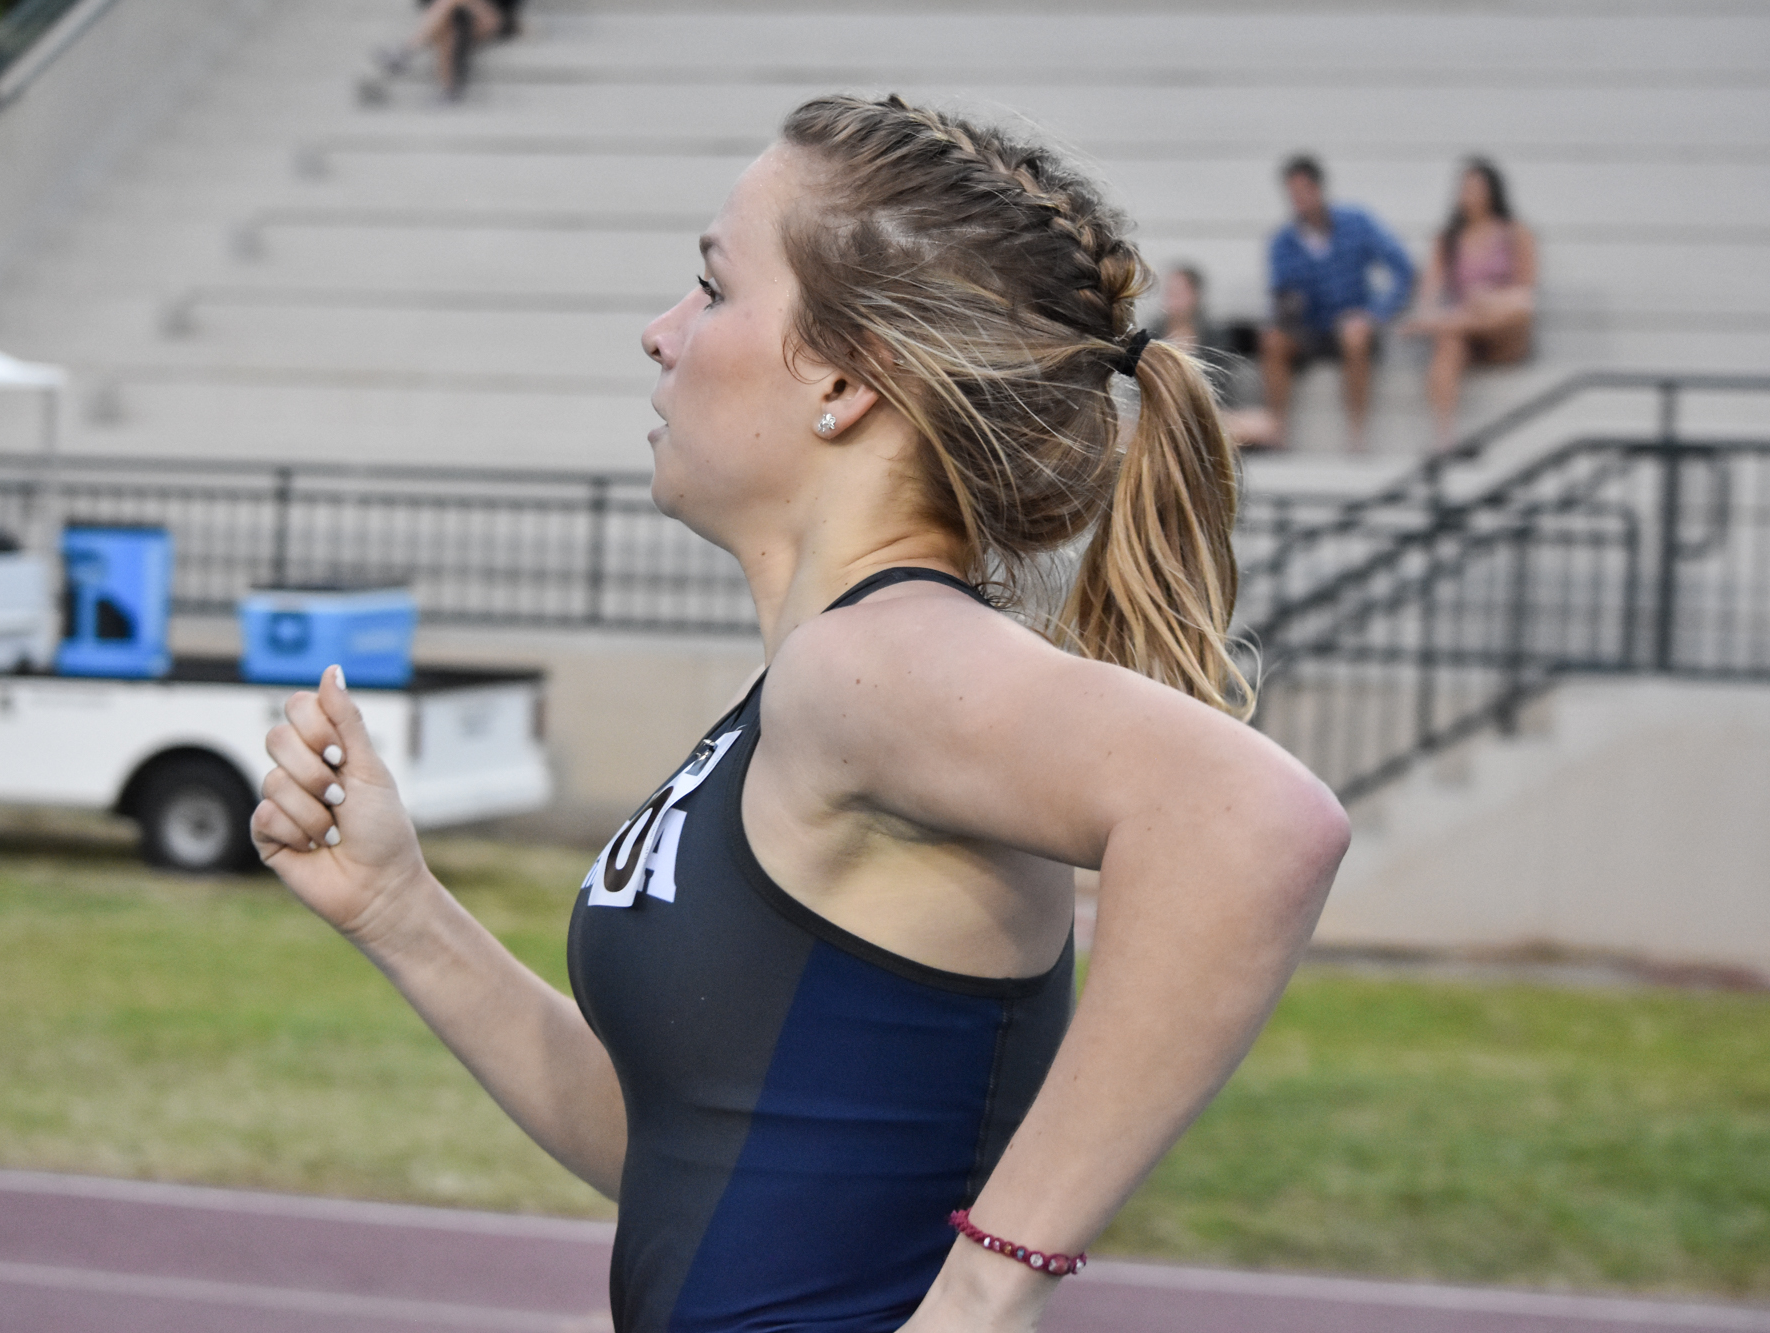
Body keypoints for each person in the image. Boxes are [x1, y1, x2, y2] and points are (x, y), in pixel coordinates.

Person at [252, 94, 1348, 1333]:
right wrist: (401, 909)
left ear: (842, 377)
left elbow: (1254, 820)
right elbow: (694, 1154)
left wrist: (987, 1286)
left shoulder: (872, 665)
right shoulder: (820, 681)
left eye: (711, 288)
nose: (661, 334)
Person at [1261, 155, 1417, 451]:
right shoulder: (1283, 242)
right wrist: (1289, 309)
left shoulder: (1356, 223)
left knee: (1354, 334)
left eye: (1304, 190)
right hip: (1309, 328)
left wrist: (1376, 313)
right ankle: (1276, 432)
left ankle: (1356, 435)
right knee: (1273, 341)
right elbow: (1281, 298)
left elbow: (1403, 270)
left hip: (1352, 322)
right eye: (1293, 193)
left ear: (1319, 189)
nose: (1299, 200)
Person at [1402, 157, 1538, 448]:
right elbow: (1428, 295)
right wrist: (1446, 314)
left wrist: (1486, 301)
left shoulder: (1515, 233)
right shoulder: (1447, 239)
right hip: (1466, 334)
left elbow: (1526, 296)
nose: (1469, 194)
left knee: (1502, 305)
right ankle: (1445, 438)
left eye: (1476, 188)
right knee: (1449, 341)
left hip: (1504, 332)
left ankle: (1454, 321)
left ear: (1492, 191)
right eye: (1464, 188)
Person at [1156, 264, 1280, 450]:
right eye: (1170, 292)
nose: (1173, 299)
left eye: (1180, 293)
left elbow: (1220, 383)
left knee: (1263, 425)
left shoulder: (1214, 334)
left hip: (1208, 414)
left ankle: (1191, 440)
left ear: (1195, 295)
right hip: (1160, 415)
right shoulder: (1152, 334)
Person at [374, 0, 522, 100]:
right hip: (464, 19)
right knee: (449, 28)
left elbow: (506, 11)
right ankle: (448, 91)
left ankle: (405, 52)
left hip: (496, 19)